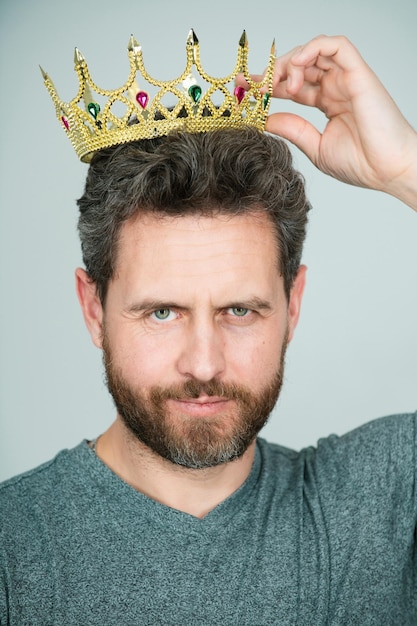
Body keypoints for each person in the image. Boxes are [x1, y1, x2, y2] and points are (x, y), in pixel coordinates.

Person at [1, 34, 416, 625]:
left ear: (292, 304)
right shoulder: (11, 553)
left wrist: (405, 168)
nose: (203, 364)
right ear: (93, 309)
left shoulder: (382, 503)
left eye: (238, 311)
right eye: (161, 312)